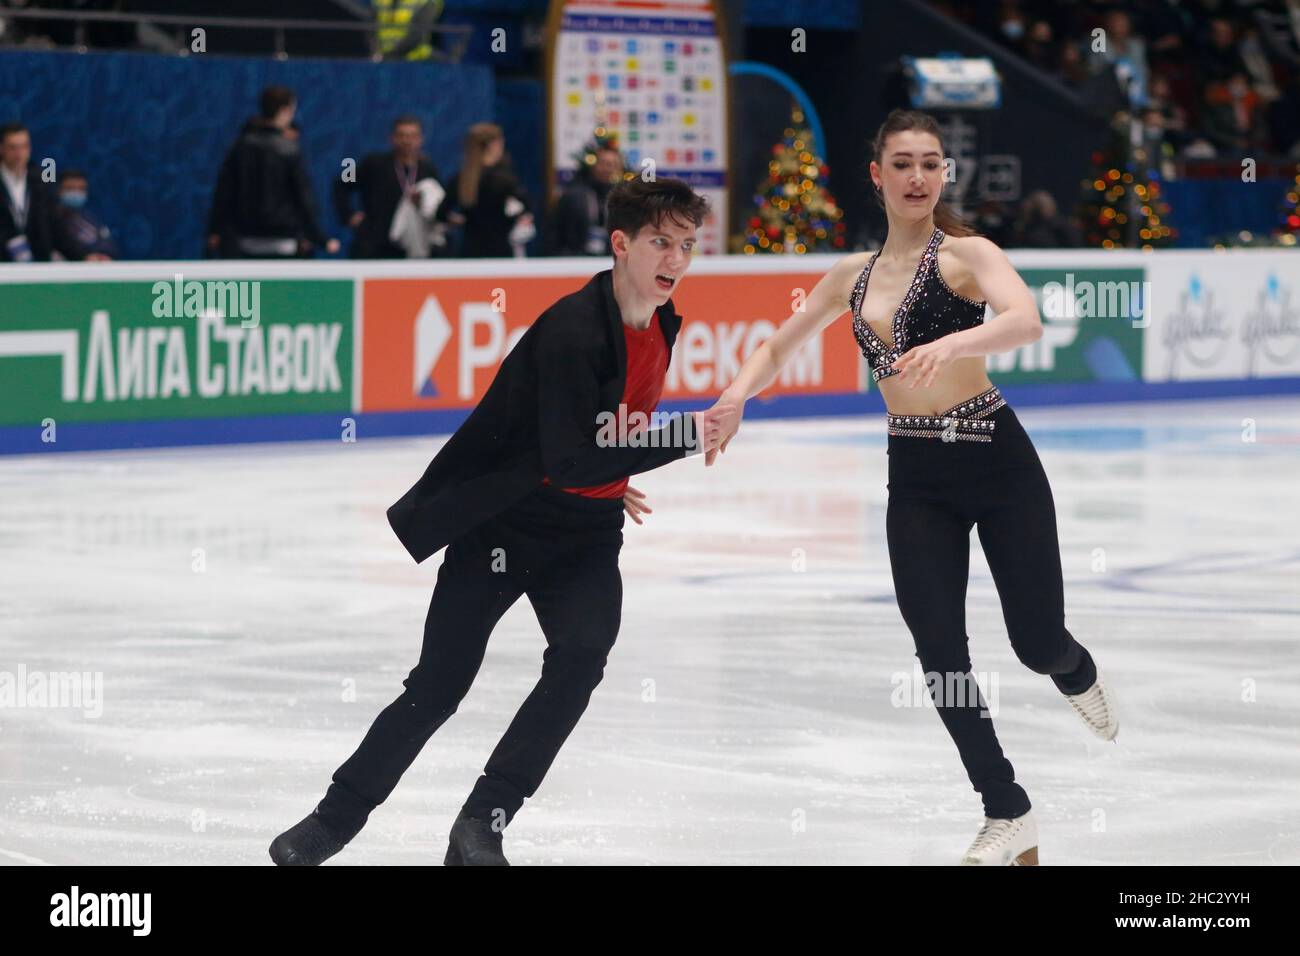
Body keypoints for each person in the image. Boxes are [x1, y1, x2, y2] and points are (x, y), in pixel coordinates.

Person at [269, 178, 737, 866]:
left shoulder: (664, 322)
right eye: (660, 242)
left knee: (580, 659)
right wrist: (684, 437)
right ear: (621, 244)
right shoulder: (572, 330)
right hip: (506, 525)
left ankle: (480, 824)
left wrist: (621, 471)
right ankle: (329, 825)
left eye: (687, 245)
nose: (676, 259)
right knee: (438, 686)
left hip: (586, 533)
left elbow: (605, 428)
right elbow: (573, 457)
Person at [707, 109, 1118, 866]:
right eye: (902, 163)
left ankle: (1078, 670)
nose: (918, 177)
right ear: (877, 174)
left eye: (931, 163)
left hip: (996, 457)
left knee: (1035, 644)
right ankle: (1006, 808)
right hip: (918, 475)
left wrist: (956, 341)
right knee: (939, 653)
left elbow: (1027, 320)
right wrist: (735, 396)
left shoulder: (967, 255)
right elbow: (776, 342)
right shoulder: (849, 278)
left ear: (944, 174)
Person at [205, 86, 339, 259]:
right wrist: (320, 238)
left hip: (244, 237)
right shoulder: (289, 150)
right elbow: (304, 199)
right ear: (285, 110)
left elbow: (223, 192)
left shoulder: (240, 146)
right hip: (283, 240)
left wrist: (215, 230)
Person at [334, 115, 445, 258]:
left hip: (411, 245)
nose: (407, 141)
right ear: (391, 138)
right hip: (374, 245)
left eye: (412, 136)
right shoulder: (374, 163)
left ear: (420, 139)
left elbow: (436, 203)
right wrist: (348, 215)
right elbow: (342, 183)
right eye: (402, 135)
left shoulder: (428, 169)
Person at [441, 122, 532, 258]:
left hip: (470, 250)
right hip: (500, 252)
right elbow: (526, 207)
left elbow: (441, 214)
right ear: (493, 145)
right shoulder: (505, 180)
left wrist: (462, 221)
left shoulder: (460, 179)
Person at [549, 139, 624, 256]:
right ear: (594, 165)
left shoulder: (622, 199)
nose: (607, 168)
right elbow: (556, 232)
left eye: (612, 164)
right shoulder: (572, 194)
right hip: (575, 260)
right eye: (603, 163)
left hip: (611, 259)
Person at [0, 122, 54, 262]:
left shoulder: (40, 181)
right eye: (13, 148)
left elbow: (51, 224)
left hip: (36, 265)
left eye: (24, 147)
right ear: (2, 148)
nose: (19, 154)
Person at [53, 169, 119, 261]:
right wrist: (84, 256)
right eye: (70, 189)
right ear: (59, 190)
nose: (76, 193)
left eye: (81, 189)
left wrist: (100, 255)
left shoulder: (89, 219)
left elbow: (109, 245)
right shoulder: (52, 220)